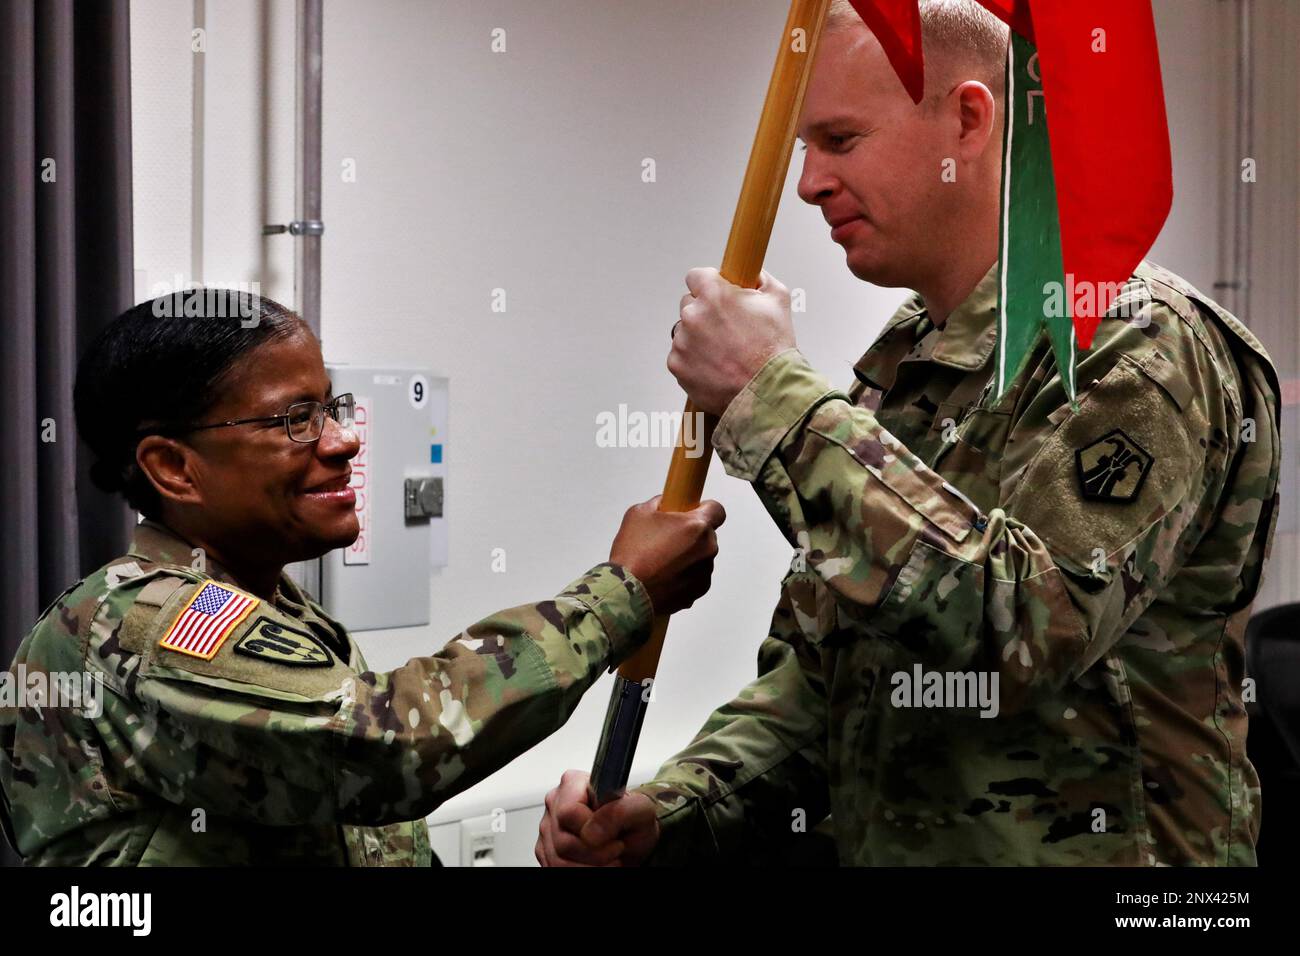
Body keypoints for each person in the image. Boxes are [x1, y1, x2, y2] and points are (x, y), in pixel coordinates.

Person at [537, 0, 1281, 866]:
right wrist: (670, 809)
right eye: (803, 147)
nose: (808, 181)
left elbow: (1022, 628)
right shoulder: (896, 367)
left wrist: (773, 399)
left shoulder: (1133, 343)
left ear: (968, 121)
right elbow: (820, 683)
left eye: (840, 140)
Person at [0, 289, 726, 866]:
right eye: (294, 419)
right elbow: (388, 748)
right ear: (172, 467)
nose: (345, 441)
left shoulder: (284, 618)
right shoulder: (146, 621)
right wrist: (619, 593)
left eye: (332, 408)